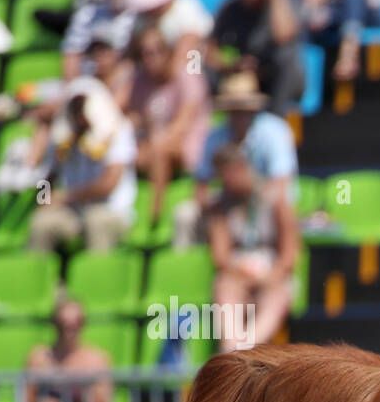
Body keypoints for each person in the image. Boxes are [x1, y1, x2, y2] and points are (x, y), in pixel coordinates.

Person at [174, 71, 299, 247]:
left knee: (275, 209)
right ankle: (186, 270)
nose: (240, 115)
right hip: (226, 203)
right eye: (235, 109)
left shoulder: (275, 130)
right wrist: (221, 203)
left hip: (267, 203)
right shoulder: (215, 136)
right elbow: (200, 188)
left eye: (244, 109)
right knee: (184, 214)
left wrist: (246, 190)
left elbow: (281, 186)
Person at [205, 141, 301, 351]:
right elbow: (220, 256)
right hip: (237, 272)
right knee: (225, 287)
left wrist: (270, 275)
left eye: (231, 171)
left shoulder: (277, 199)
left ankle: (246, 349)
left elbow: (289, 253)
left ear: (244, 167)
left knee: (277, 294)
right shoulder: (220, 206)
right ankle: (232, 352)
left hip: (273, 272)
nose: (227, 180)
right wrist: (242, 273)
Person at [27, 76, 137, 253]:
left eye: (82, 109)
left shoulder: (120, 130)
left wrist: (66, 196)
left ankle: (95, 279)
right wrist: (44, 199)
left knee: (95, 222)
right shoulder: (65, 138)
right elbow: (46, 178)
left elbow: (109, 184)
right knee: (41, 222)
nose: (79, 116)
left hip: (111, 211)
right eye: (75, 110)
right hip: (73, 212)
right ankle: (40, 278)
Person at [126, 23, 211, 227]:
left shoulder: (188, 75)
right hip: (153, 147)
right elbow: (131, 119)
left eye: (158, 50)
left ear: (168, 51)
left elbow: (182, 126)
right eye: (145, 53)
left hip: (189, 146)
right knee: (124, 153)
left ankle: (155, 215)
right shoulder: (139, 81)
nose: (152, 57)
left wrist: (151, 145)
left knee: (159, 150)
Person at [208, 0, 306, 115]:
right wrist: (235, 65)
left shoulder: (279, 4)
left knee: (285, 56)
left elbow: (284, 36)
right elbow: (210, 51)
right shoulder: (230, 10)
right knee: (193, 63)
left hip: (276, 76)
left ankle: (276, 118)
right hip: (241, 73)